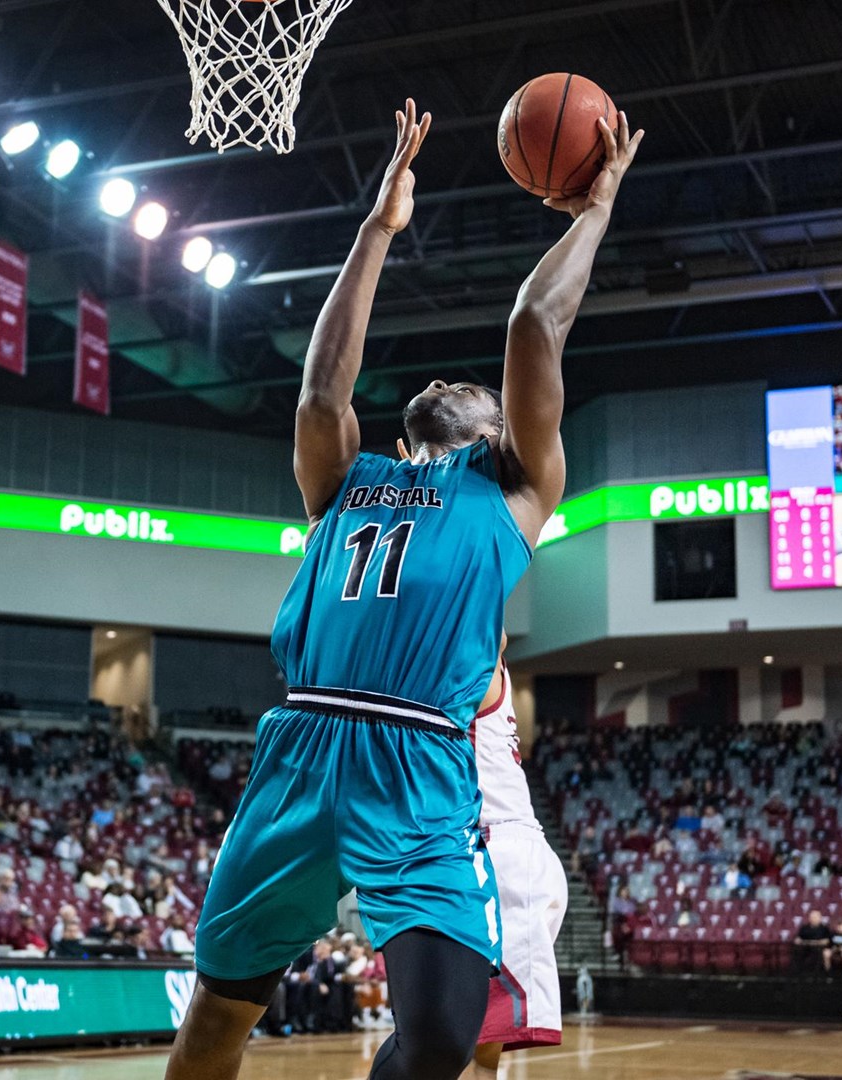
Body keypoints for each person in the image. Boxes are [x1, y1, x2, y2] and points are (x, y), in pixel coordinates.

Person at [165, 99, 641, 1080]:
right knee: (213, 1028)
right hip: (302, 747)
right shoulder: (347, 479)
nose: (455, 381)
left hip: (419, 764)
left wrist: (596, 210)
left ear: (498, 431)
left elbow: (534, 323)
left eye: (481, 395)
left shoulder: (511, 489)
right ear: (401, 439)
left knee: (439, 1037)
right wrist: (378, 228)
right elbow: (321, 392)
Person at [462, 663, 569, 1080]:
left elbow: (494, 635)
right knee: (472, 1029)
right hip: (501, 851)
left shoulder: (482, 666)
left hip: (504, 852)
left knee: (473, 1030)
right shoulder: (478, 673)